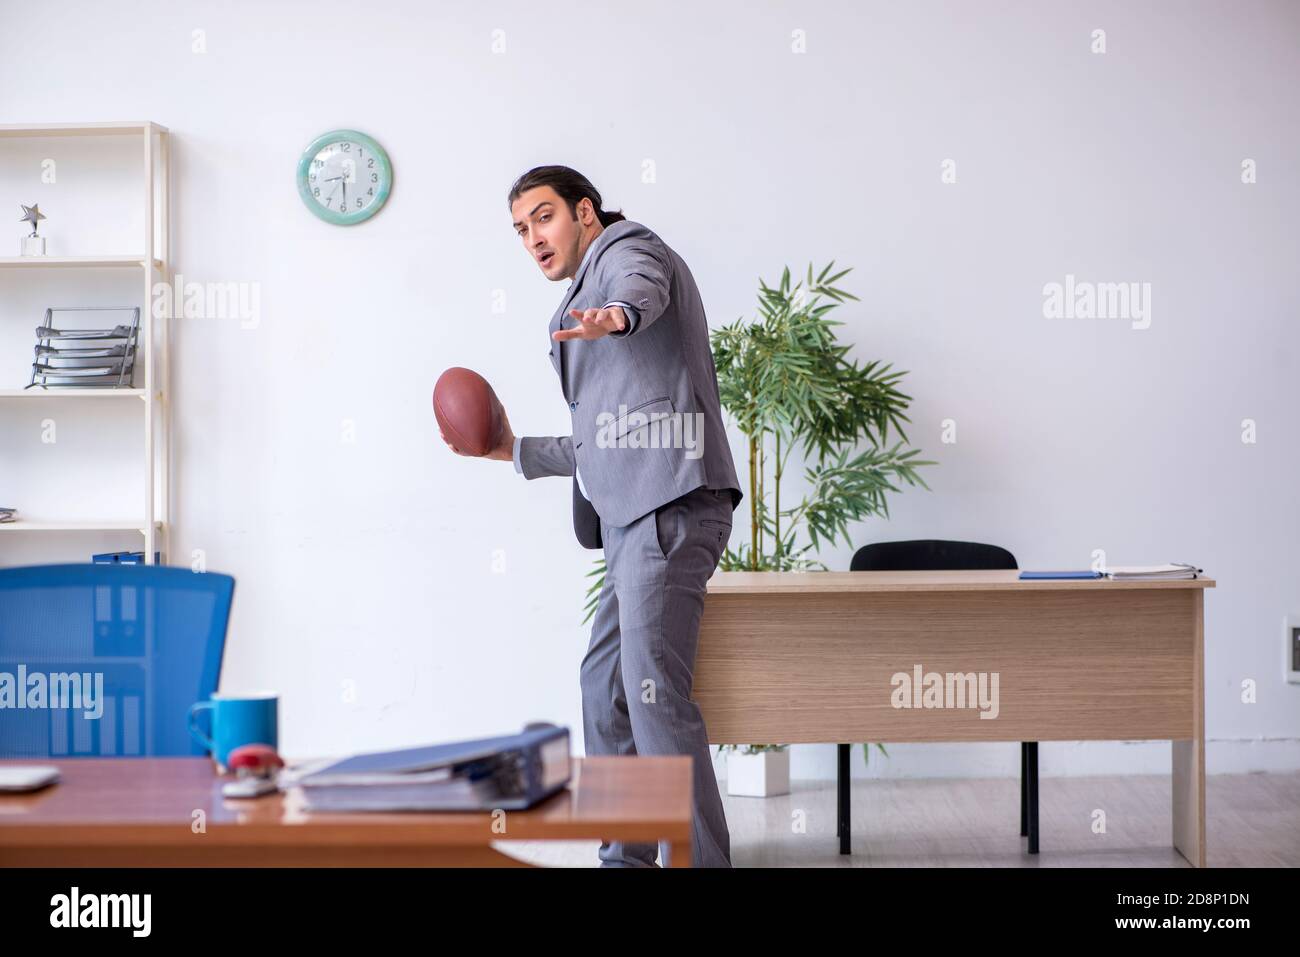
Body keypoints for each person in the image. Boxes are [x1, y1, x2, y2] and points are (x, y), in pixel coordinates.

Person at [442, 165, 742, 867]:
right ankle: (627, 857)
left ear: (584, 212)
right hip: (630, 516)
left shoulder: (627, 251)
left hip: (669, 504)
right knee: (604, 686)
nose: (532, 238)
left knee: (652, 694)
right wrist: (511, 449)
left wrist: (623, 313)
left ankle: (699, 862)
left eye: (543, 218)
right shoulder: (577, 306)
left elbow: (645, 283)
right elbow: (601, 441)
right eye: (520, 229)